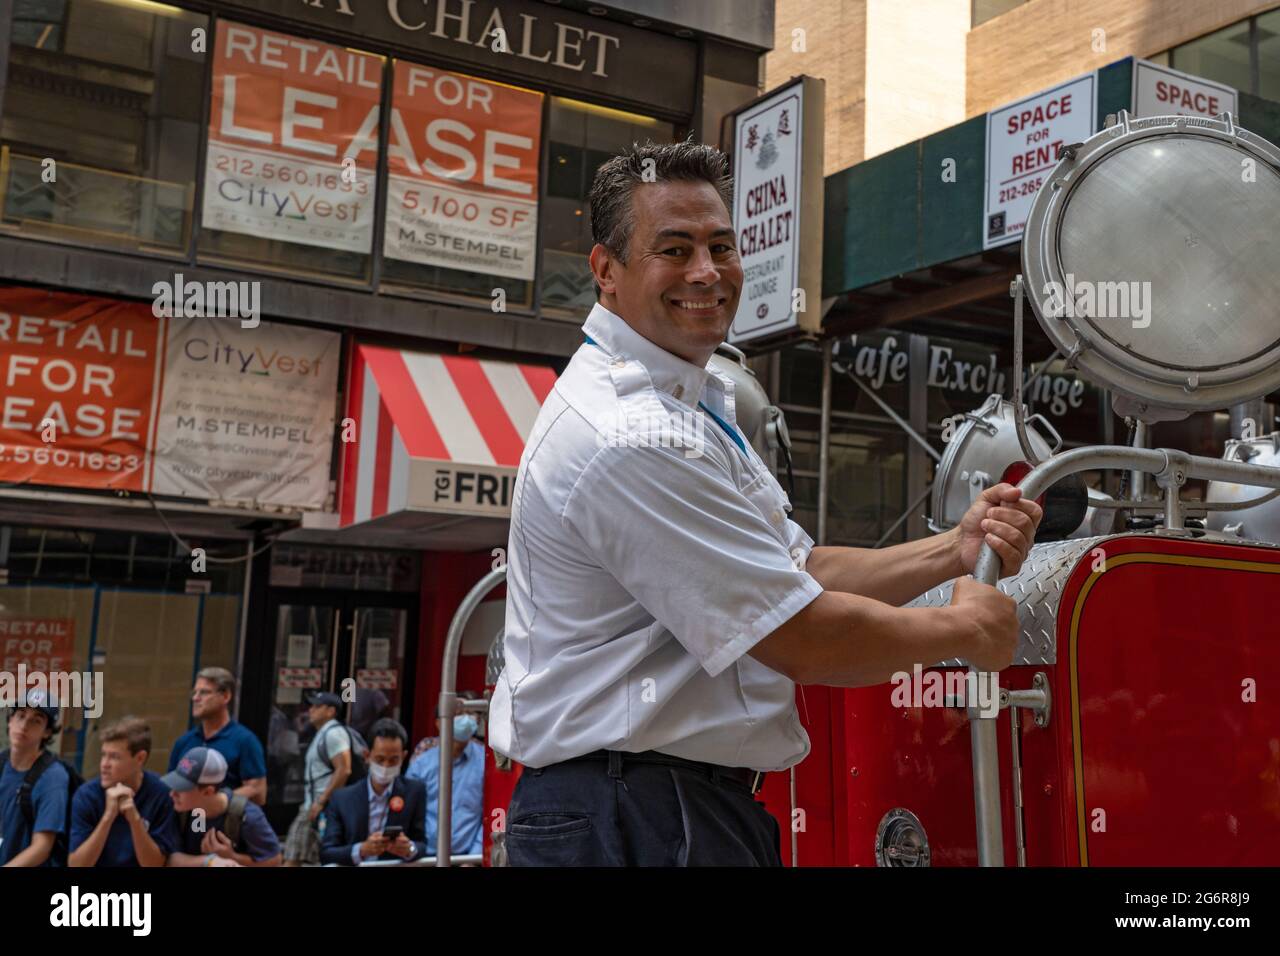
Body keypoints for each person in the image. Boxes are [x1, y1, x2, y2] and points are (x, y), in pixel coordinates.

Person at [488, 140, 1043, 866]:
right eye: (675, 249)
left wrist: (952, 550)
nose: (707, 273)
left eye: (721, 246)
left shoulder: (687, 401)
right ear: (605, 271)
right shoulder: (632, 432)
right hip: (632, 818)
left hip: (667, 809)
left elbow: (801, 568)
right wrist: (963, 630)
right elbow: (803, 636)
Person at [68, 717, 177, 867]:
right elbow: (76, 865)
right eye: (103, 754)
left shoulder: (161, 793)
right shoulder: (86, 796)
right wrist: (107, 817)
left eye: (114, 757)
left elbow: (154, 864)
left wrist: (135, 820)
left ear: (140, 758)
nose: (104, 764)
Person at [321, 718, 426, 865]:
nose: (386, 766)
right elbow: (328, 853)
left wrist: (408, 848)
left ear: (403, 756)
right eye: (380, 759)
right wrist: (361, 850)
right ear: (367, 756)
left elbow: (422, 844)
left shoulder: (415, 792)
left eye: (393, 760)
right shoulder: (342, 798)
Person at [163, 746, 281, 867]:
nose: (172, 793)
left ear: (208, 792)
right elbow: (169, 859)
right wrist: (210, 861)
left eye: (181, 788)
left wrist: (233, 857)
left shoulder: (247, 816)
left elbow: (274, 860)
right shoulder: (183, 811)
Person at [168, 667, 268, 805]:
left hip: (224, 821)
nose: (195, 698)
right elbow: (170, 787)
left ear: (226, 696)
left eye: (204, 692)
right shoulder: (184, 741)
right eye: (195, 692)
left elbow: (258, 791)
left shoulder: (245, 740)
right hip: (186, 821)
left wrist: (214, 800)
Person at [0, 689, 71, 867]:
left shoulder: (52, 778)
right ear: (10, 720)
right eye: (20, 715)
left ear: (47, 732)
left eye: (36, 721)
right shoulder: (1, 763)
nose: (24, 726)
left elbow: (41, 848)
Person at [283, 691, 352, 866]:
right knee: (302, 857)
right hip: (314, 805)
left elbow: (344, 770)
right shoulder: (323, 733)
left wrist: (322, 801)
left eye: (316, 706)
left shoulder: (334, 734)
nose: (310, 710)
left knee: (294, 857)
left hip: (319, 807)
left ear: (330, 711)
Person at [406, 709, 484, 857]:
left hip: (468, 857)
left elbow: (490, 812)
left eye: (469, 713)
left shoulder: (485, 762)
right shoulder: (421, 764)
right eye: (458, 713)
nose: (465, 719)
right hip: (426, 857)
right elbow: (408, 812)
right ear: (438, 723)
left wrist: (473, 857)